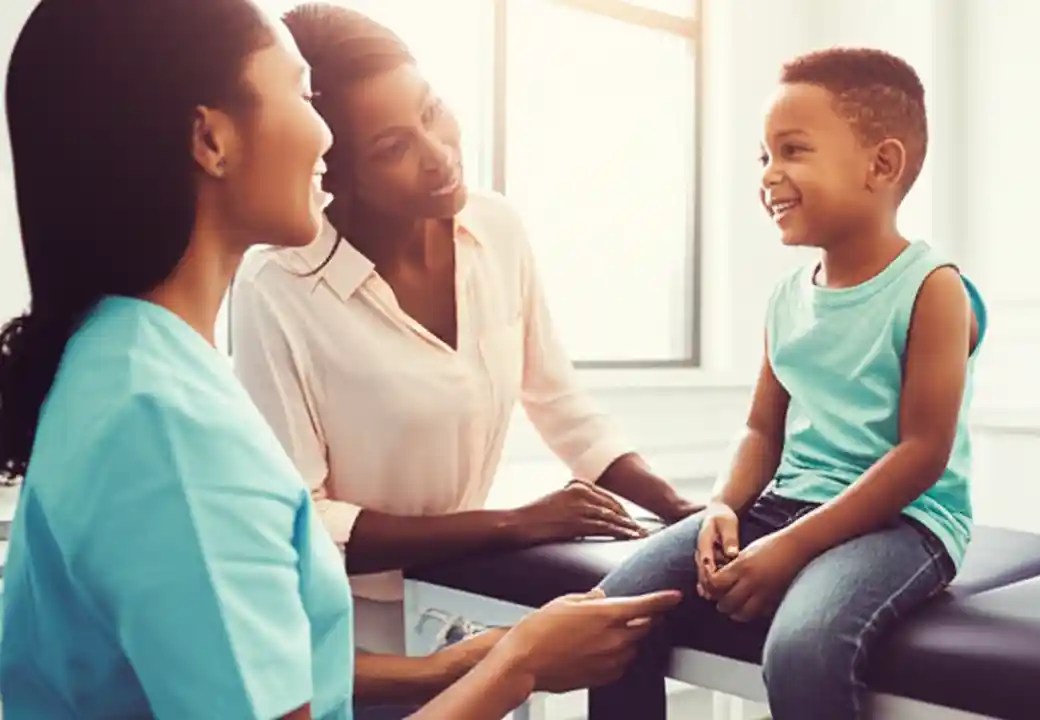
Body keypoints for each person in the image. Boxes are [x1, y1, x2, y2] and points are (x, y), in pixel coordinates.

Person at [0, 1, 678, 718]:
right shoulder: (167, 425)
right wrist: (519, 665)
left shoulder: (125, 358)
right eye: (299, 92)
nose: (323, 135)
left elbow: (264, 669)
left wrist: (455, 665)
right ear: (211, 138)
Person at [229, 2, 701, 655]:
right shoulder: (277, 287)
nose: (438, 154)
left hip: (461, 599)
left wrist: (683, 514)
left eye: (432, 111)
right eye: (393, 147)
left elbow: (561, 405)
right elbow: (307, 520)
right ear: (333, 173)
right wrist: (513, 524)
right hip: (345, 629)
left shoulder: (495, 229)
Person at [587, 48, 988, 719]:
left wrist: (792, 548)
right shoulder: (785, 297)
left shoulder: (933, 289)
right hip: (784, 504)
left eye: (793, 151)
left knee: (803, 648)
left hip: (905, 525)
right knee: (610, 615)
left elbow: (923, 453)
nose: (770, 175)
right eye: (764, 157)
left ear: (881, 165)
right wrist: (722, 505)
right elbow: (761, 428)